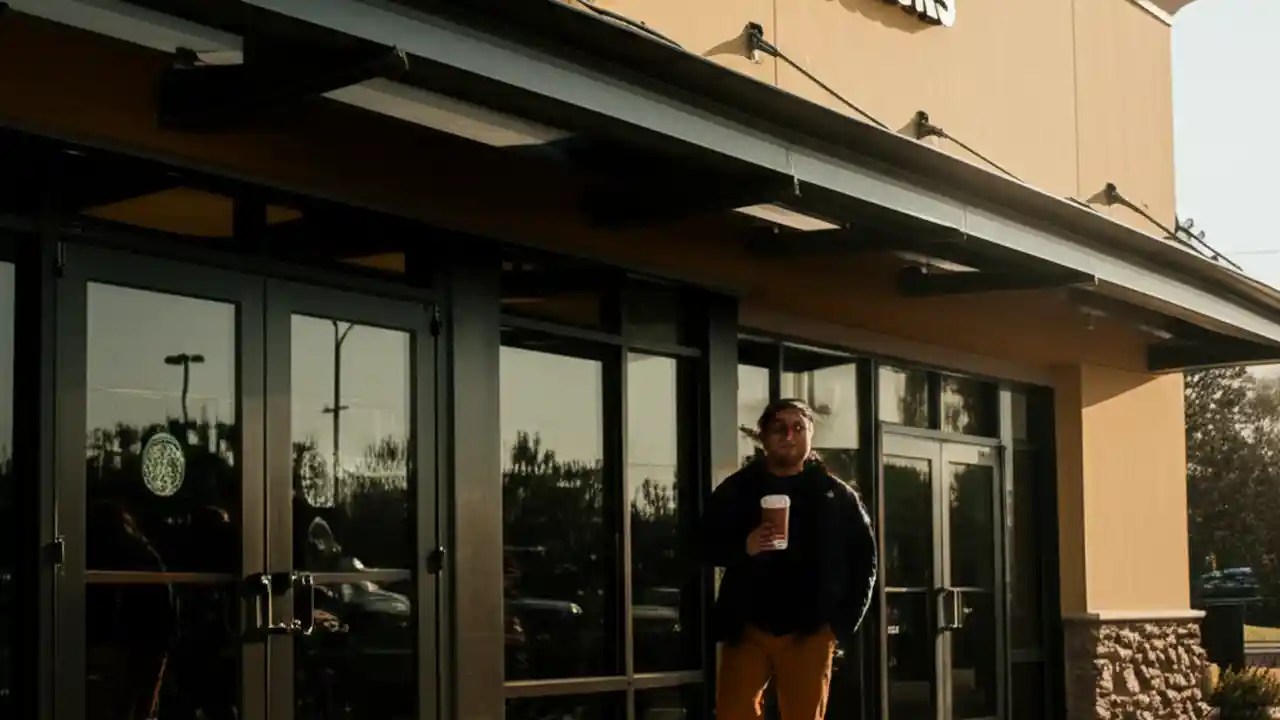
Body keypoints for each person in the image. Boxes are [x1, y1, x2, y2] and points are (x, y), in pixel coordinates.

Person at [701, 398, 878, 720]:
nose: (789, 436)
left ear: (810, 435)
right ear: (764, 436)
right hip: (748, 625)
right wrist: (743, 546)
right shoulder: (738, 489)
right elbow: (701, 544)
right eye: (778, 428)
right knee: (734, 712)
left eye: (799, 428)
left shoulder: (835, 495)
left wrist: (839, 625)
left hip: (809, 629)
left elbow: (865, 560)